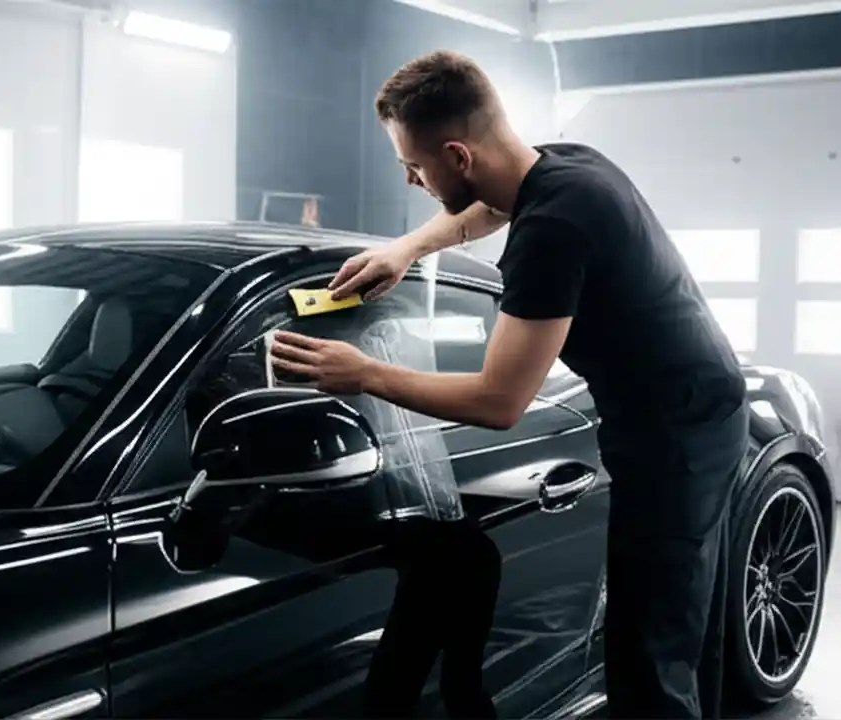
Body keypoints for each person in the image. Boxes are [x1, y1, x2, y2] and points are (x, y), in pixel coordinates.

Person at [268, 49, 751, 720]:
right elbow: (489, 209)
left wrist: (365, 373)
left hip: (677, 438)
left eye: (413, 164)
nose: (409, 177)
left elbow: (499, 402)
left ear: (459, 155)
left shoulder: (552, 231)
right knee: (677, 631)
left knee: (647, 660)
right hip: (692, 404)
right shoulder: (564, 165)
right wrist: (405, 249)